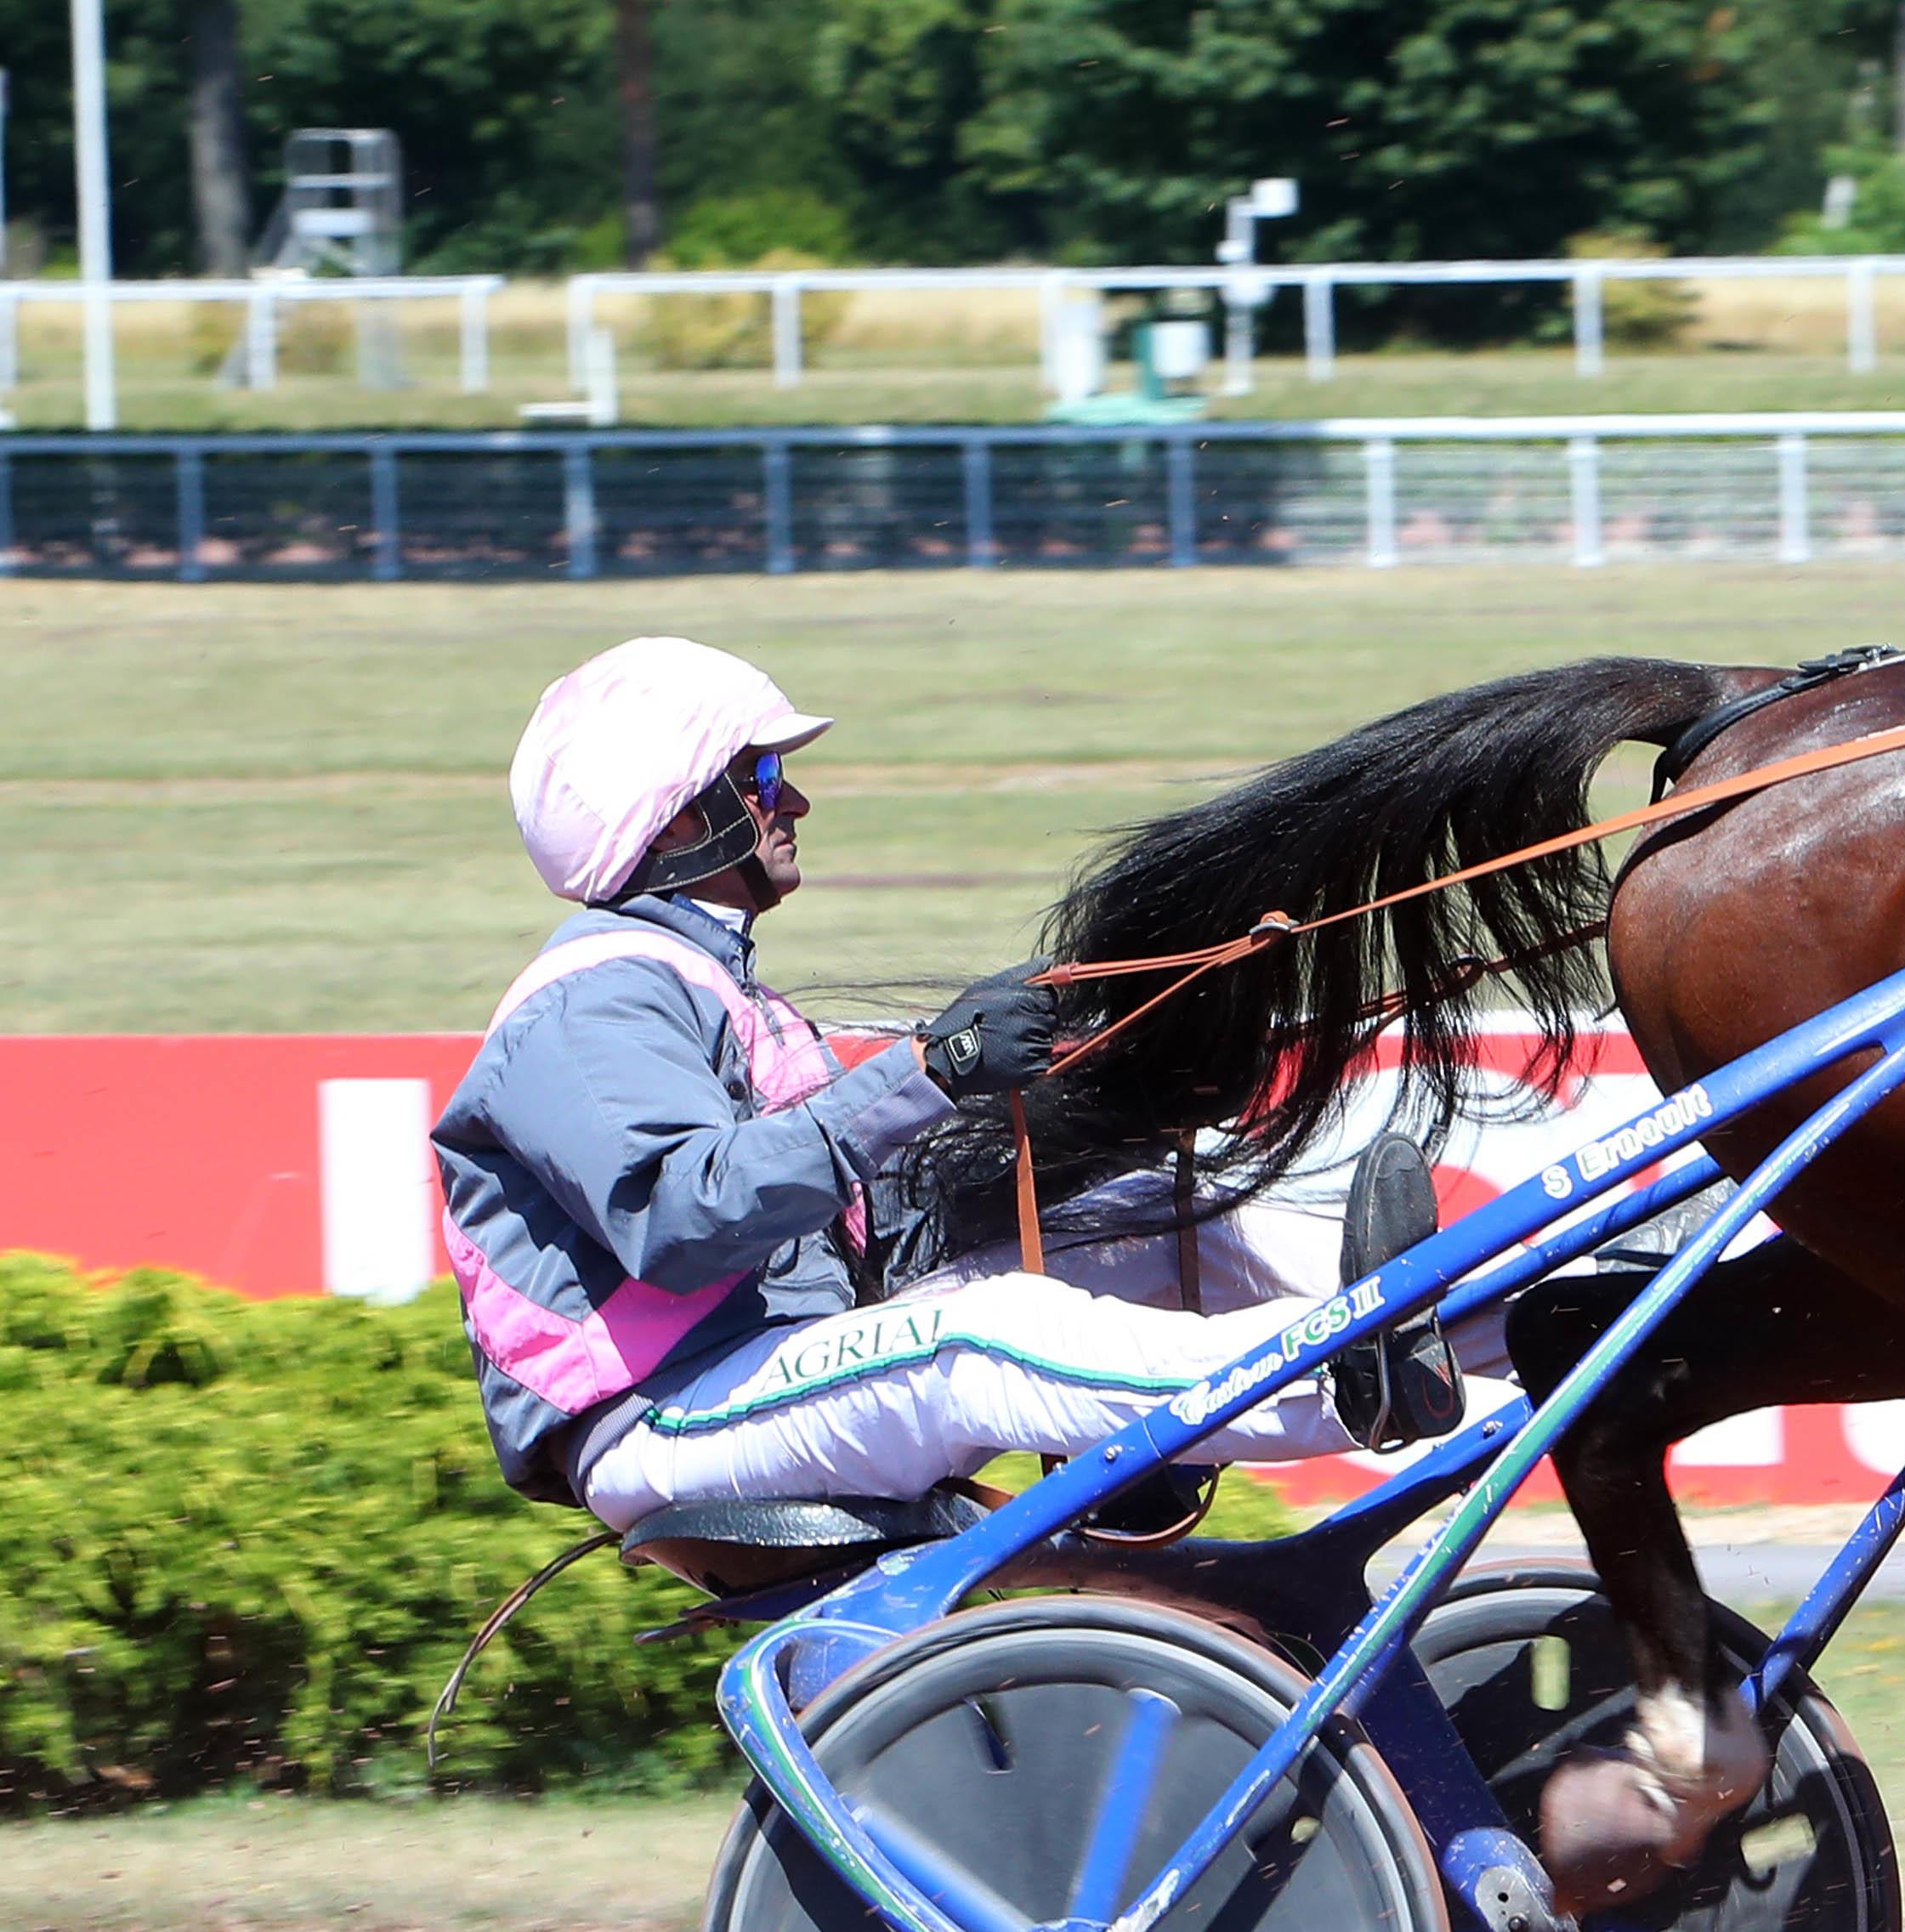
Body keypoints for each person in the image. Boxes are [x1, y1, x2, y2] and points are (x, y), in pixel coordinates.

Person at [431, 635, 1470, 1534]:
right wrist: (933, 1069)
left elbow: (856, 1229)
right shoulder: (589, 1001)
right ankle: (1345, 1381)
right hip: (662, 1417)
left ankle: (1493, 1324)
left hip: (762, 1367)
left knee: (1155, 1216)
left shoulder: (707, 985)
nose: (792, 798)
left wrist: (1107, 1103)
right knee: (978, 1338)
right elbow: (684, 1216)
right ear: (670, 825)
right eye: (757, 779)